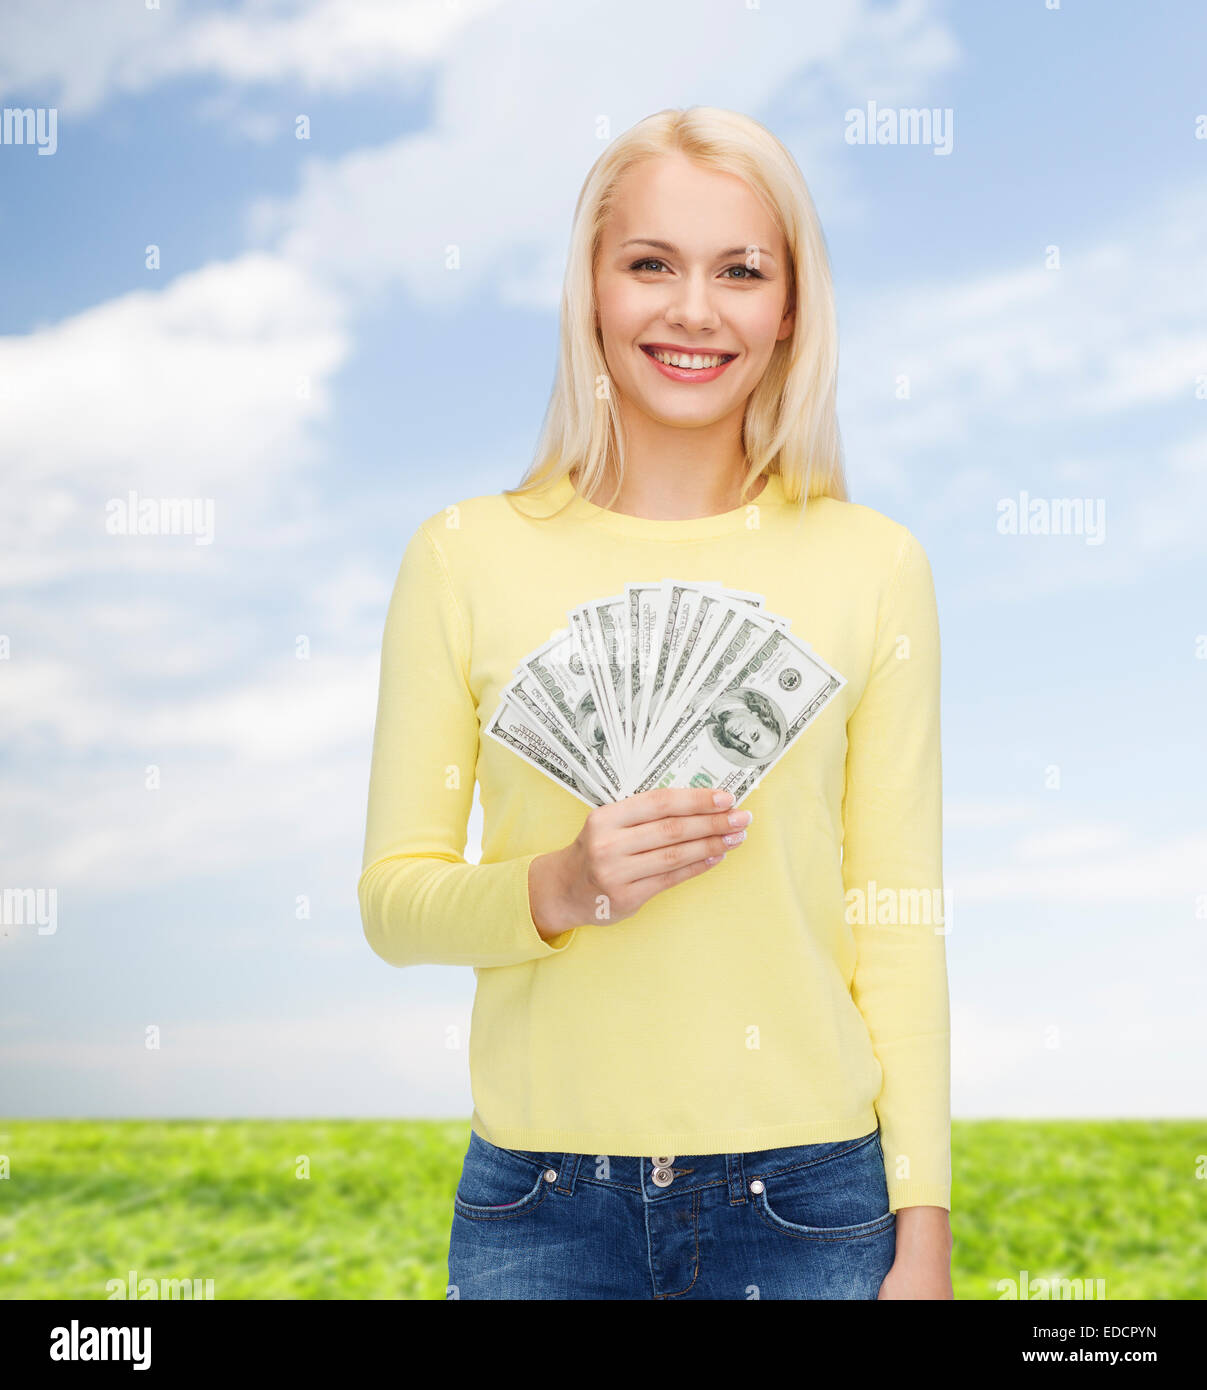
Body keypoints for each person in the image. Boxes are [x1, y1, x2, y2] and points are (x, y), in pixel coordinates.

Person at [358, 106, 953, 1300]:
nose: (694, 310)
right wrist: (560, 886)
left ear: (790, 309)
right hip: (541, 1204)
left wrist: (922, 1235)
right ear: (590, 290)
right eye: (650, 265)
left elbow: (896, 920)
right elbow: (393, 902)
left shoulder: (873, 565)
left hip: (812, 1205)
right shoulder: (462, 556)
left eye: (740, 270)